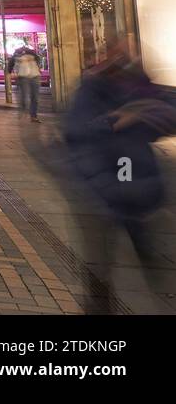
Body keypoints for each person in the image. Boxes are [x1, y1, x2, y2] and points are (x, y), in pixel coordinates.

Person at [64, 45, 176, 314]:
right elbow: (77, 132)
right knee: (101, 265)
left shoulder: (141, 88)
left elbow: (167, 118)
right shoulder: (91, 90)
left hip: (139, 192)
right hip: (102, 192)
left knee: (153, 262)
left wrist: (149, 112)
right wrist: (118, 120)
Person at [11, 45, 42, 122]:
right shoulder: (17, 56)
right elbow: (11, 63)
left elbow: (38, 59)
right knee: (24, 96)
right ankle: (24, 111)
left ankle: (33, 116)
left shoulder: (33, 55)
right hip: (23, 77)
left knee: (35, 97)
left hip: (35, 75)